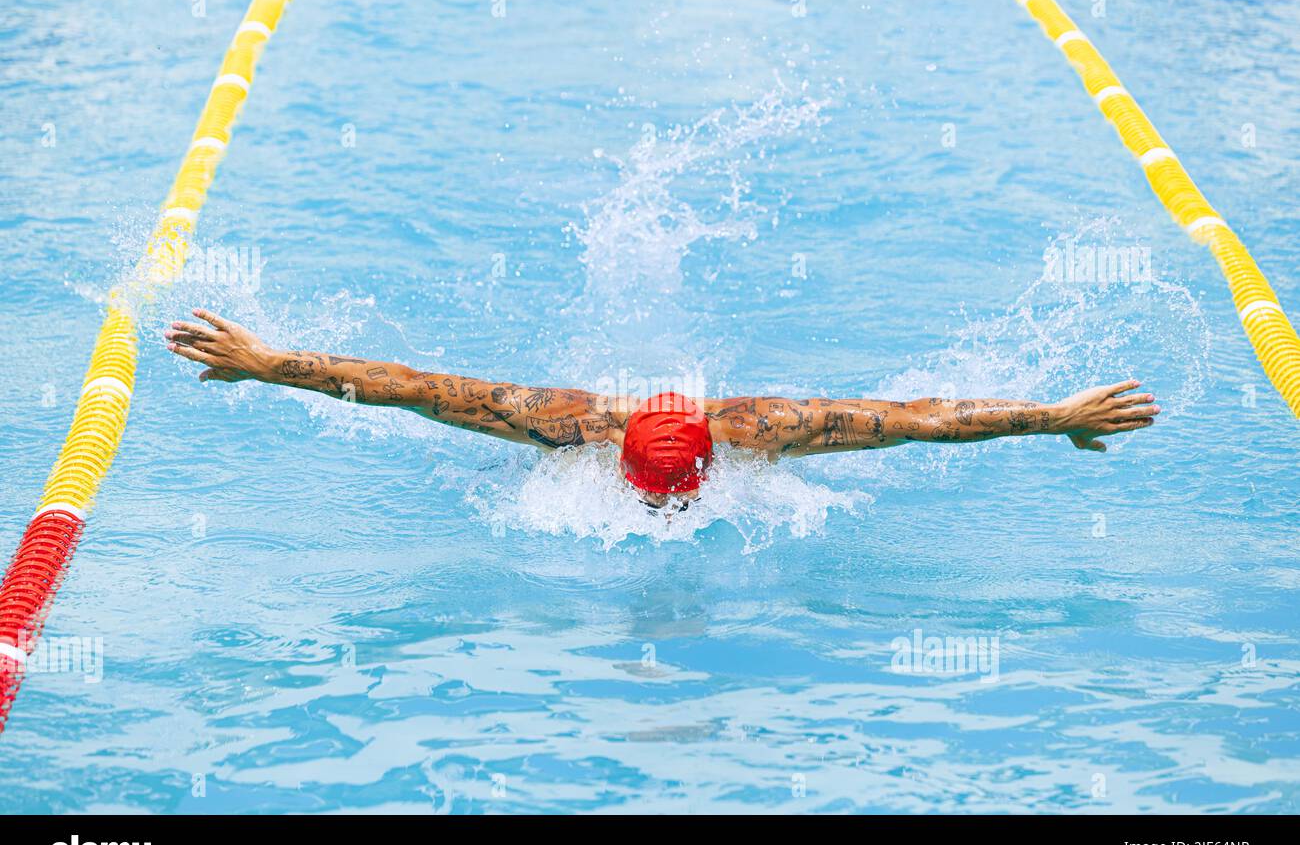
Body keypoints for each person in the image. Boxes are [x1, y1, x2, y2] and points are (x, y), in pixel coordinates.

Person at [164, 308, 1160, 509]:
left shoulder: (769, 430)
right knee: (458, 438)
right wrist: (267, 363)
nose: (663, 508)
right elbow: (405, 386)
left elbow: (922, 417)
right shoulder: (562, 424)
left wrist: (1054, 414)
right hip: (557, 432)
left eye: (672, 493)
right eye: (657, 492)